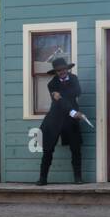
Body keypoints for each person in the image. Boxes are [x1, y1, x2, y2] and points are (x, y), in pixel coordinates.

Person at [37, 56, 86, 185]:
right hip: (56, 118)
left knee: (75, 148)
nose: (62, 72)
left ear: (67, 69)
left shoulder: (74, 79)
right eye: (58, 70)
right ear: (56, 72)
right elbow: (59, 103)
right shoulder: (52, 84)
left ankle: (78, 178)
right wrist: (72, 111)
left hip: (71, 120)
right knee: (48, 149)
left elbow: (77, 92)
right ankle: (42, 178)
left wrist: (62, 96)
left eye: (63, 69)